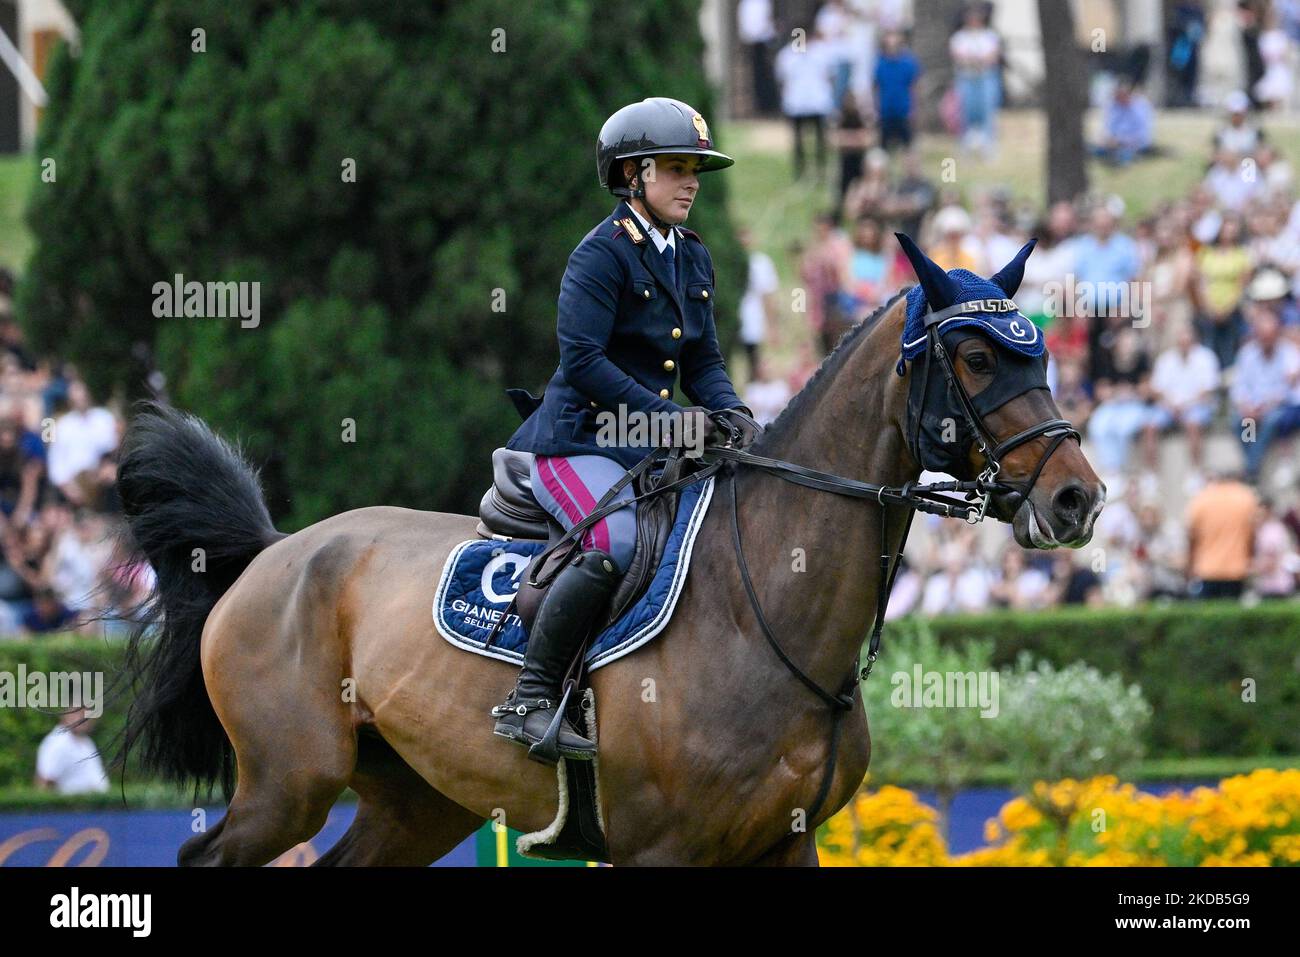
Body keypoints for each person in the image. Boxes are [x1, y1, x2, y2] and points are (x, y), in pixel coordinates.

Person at [496, 98, 760, 761]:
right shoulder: (601, 255)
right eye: (677, 168)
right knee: (613, 541)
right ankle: (531, 695)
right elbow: (583, 363)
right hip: (575, 441)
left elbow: (702, 360)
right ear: (634, 174)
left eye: (696, 169)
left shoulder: (691, 256)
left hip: (645, 446)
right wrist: (673, 422)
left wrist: (736, 417)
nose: (692, 182)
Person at [1185, 469, 1260, 599]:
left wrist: (1190, 563)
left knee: (1208, 613)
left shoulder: (1202, 498)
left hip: (1207, 566)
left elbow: (1192, 535)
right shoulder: (1245, 497)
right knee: (1233, 613)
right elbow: (1253, 534)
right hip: (1237, 566)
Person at [35, 708, 109, 795]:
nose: (83, 718)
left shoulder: (87, 742)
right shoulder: (58, 743)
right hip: (70, 806)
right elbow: (45, 781)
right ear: (65, 714)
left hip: (98, 806)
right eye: (78, 713)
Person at [873, 30, 921, 152]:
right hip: (885, 110)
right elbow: (876, 88)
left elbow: (914, 87)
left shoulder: (908, 63)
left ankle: (912, 170)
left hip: (904, 109)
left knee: (908, 146)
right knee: (883, 147)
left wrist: (914, 109)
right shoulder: (879, 63)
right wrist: (875, 109)